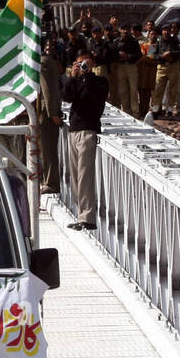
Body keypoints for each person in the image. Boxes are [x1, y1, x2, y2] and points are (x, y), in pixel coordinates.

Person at [62, 55, 108, 231]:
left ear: (92, 65)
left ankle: (87, 217)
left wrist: (87, 76)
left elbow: (93, 98)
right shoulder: (75, 81)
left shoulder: (100, 82)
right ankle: (80, 213)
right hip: (74, 130)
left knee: (84, 175)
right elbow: (67, 96)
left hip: (88, 130)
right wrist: (73, 77)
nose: (82, 66)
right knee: (74, 175)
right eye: (80, 63)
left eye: (85, 64)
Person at [38, 43, 63, 194]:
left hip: (45, 114)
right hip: (42, 112)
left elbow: (48, 89)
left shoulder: (43, 62)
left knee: (48, 150)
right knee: (44, 149)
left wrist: (52, 113)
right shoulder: (40, 61)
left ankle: (51, 182)